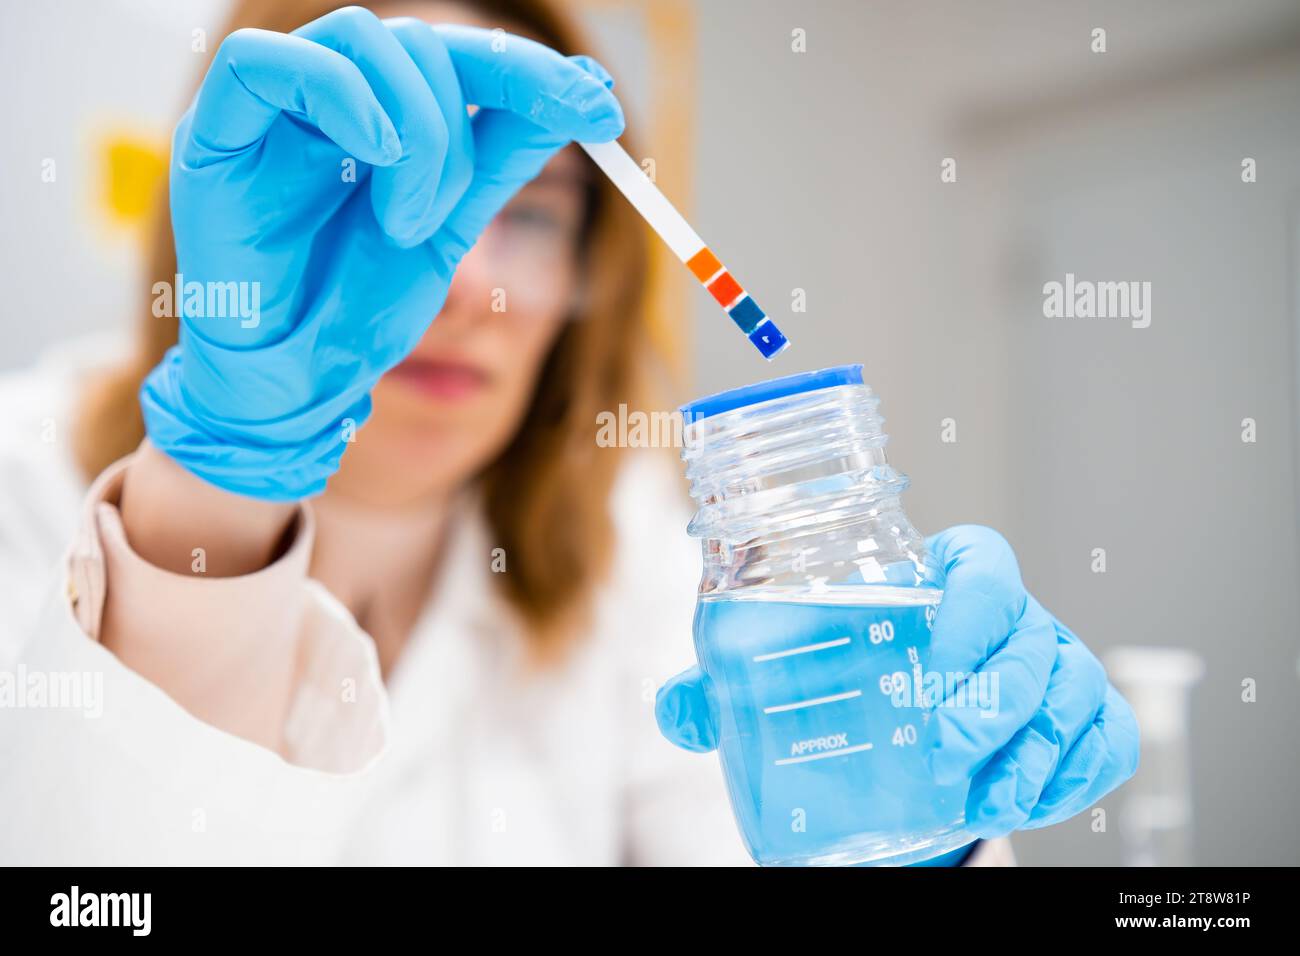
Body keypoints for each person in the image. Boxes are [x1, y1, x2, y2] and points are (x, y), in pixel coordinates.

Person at [0, 0, 1137, 865]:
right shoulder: (20, 478)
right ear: (228, 217)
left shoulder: (644, 560)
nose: (466, 285)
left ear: (584, 269)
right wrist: (212, 480)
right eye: (373, 196)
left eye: (525, 209)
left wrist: (909, 823)